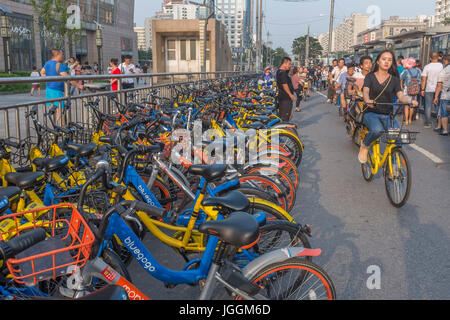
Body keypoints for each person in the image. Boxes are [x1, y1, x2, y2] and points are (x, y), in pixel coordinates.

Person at [358, 50, 419, 163]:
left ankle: (395, 167)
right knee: (377, 131)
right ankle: (365, 146)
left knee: (399, 137)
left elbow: (401, 96)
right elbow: (365, 91)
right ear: (378, 61)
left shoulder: (395, 80)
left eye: (390, 60)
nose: (386, 62)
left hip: (388, 115)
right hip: (371, 113)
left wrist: (410, 100)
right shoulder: (370, 77)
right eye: (384, 59)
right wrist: (367, 100)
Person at [41, 49, 83, 124]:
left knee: (52, 111)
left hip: (49, 90)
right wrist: (79, 86)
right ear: (57, 55)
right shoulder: (59, 65)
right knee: (60, 111)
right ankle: (62, 130)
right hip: (57, 91)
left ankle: (54, 130)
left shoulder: (47, 63)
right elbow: (68, 78)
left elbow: (42, 72)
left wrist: (49, 79)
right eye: (61, 54)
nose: (62, 56)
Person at [421, 52, 444, 129]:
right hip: (439, 89)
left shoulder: (427, 67)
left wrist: (422, 89)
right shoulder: (441, 66)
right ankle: (439, 123)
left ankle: (428, 123)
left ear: (430, 58)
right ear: (438, 57)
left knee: (428, 106)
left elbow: (424, 79)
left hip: (428, 89)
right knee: (438, 106)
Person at [400, 57, 421, 126]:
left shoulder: (406, 71)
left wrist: (401, 87)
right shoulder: (418, 71)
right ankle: (410, 119)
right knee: (412, 105)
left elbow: (401, 78)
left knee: (406, 105)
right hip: (415, 90)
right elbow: (420, 81)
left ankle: (406, 120)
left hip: (407, 89)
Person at [433, 55, 449, 136]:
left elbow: (439, 85)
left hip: (445, 95)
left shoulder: (444, 71)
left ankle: (445, 130)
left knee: (444, 113)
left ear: (445, 61)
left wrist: (436, 97)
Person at [276, 57, 296, 121]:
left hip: (283, 96)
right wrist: (290, 94)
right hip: (285, 97)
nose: (290, 66)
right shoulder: (282, 73)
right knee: (285, 116)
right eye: (289, 64)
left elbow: (288, 71)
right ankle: (284, 128)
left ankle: (283, 127)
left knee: (283, 114)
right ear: (285, 63)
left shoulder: (280, 71)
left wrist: (289, 68)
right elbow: (284, 85)